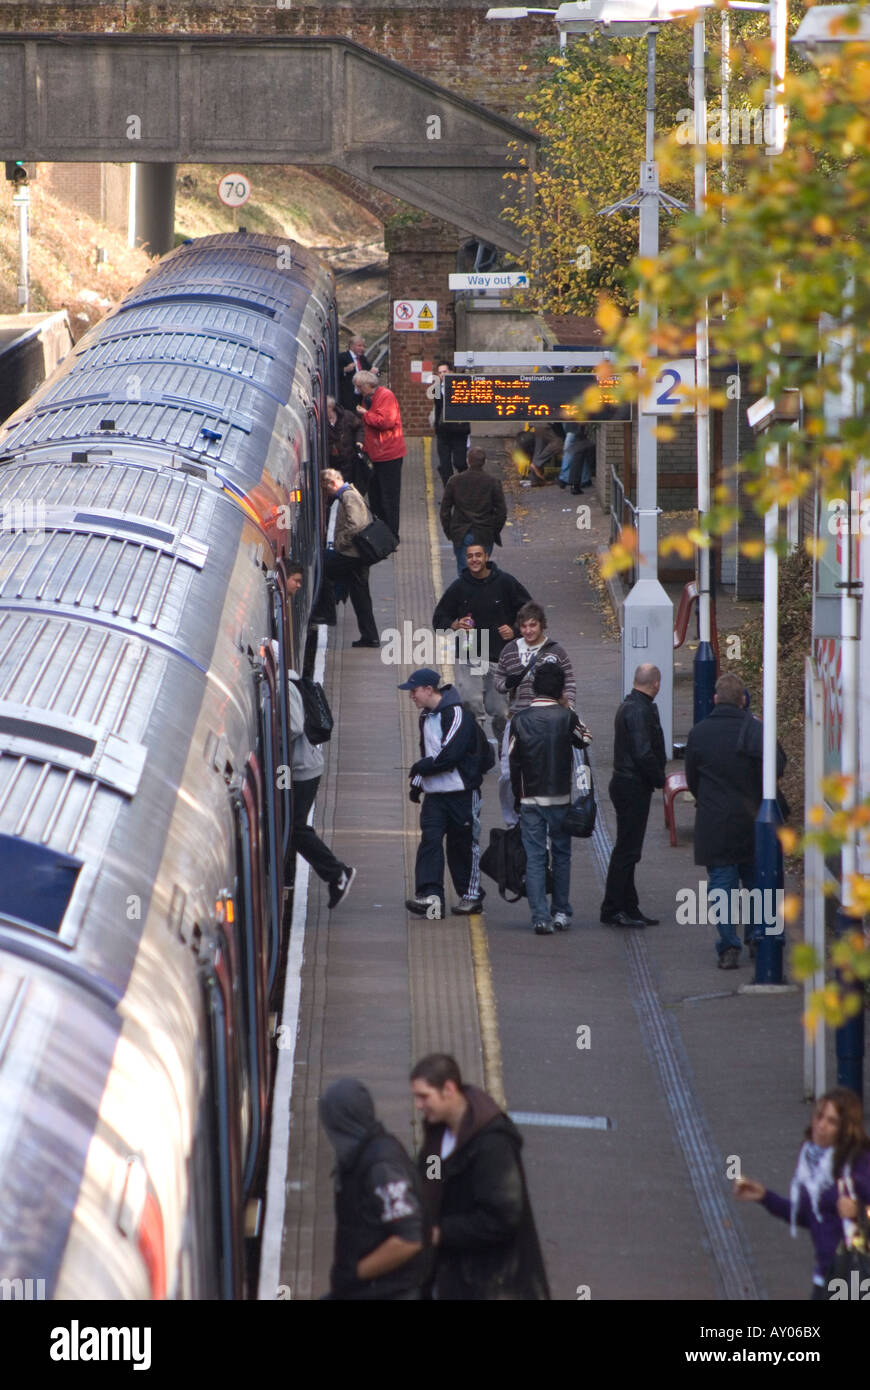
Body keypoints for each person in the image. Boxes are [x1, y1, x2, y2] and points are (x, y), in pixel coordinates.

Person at [410, 1053, 550, 1301]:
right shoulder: (438, 1135)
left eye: (424, 1096)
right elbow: (432, 1180)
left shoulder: (492, 1146)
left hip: (493, 1284)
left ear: (448, 1090)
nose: (418, 1105)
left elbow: (502, 1218)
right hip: (451, 1277)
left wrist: (441, 1233)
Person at [685, 671, 787, 970]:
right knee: (757, 882)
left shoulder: (699, 733)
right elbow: (778, 767)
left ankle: (728, 945)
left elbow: (693, 779)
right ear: (743, 700)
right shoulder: (756, 730)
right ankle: (758, 936)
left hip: (715, 823)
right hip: (754, 820)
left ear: (715, 699)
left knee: (722, 886)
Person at [734, 1087, 870, 1299]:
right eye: (819, 1116)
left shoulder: (858, 1163)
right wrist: (765, 1197)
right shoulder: (810, 1161)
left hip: (854, 1282)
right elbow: (808, 1216)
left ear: (845, 1129)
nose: (821, 1125)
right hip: (825, 1277)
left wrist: (858, 1211)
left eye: (831, 1122)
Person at [319, 1078, 429, 1300]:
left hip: (388, 1291)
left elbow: (409, 1238)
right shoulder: (363, 1157)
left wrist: (355, 1272)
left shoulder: (380, 1167)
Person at [510, 664, 591, 935]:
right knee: (562, 855)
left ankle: (540, 917)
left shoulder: (519, 720)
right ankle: (561, 912)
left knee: (534, 857)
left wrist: (516, 798)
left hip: (530, 798)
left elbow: (512, 761)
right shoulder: (565, 717)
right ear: (559, 690)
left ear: (533, 688)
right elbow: (585, 739)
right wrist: (567, 707)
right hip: (559, 797)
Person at [400, 668, 486, 919]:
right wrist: (418, 782)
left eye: (414, 691)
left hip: (462, 793)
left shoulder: (457, 714)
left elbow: (449, 755)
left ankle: (471, 896)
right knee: (430, 841)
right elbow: (429, 752)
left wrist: (419, 769)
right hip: (435, 795)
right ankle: (430, 896)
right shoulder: (425, 717)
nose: (411, 696)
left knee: (463, 845)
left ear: (429, 689)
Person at [432, 543, 530, 748]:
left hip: (499, 658)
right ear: (465, 559)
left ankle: (506, 754)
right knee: (470, 706)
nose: (474, 560)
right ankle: (475, 754)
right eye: (470, 556)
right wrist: (454, 624)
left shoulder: (505, 583)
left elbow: (530, 611)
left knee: (501, 711)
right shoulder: (459, 587)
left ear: (486, 556)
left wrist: (515, 630)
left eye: (478, 555)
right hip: (470, 656)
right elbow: (439, 619)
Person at [495, 601, 577, 827]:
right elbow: (499, 681)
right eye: (524, 626)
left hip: (548, 722)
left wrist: (567, 707)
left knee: (545, 774)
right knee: (507, 774)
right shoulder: (509, 650)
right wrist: (505, 684)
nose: (528, 631)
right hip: (516, 721)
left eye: (533, 625)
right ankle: (513, 821)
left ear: (542, 625)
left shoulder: (556, 652)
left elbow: (569, 681)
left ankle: (546, 820)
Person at [600, 663, 667, 929]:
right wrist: (659, 778)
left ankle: (627, 905)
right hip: (633, 785)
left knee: (627, 848)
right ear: (656, 684)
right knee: (627, 850)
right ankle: (614, 907)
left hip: (625, 782)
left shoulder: (631, 706)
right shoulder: (641, 710)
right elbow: (643, 753)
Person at [285, 662, 356, 909]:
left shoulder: (285, 686)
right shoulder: (287, 681)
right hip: (296, 767)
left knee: (294, 826)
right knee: (291, 823)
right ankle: (288, 873)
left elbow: (293, 726)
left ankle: (338, 872)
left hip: (301, 769)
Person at [320, 469, 380, 649]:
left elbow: (356, 525)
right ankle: (370, 637)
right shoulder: (349, 494)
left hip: (352, 554)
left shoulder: (348, 497)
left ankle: (327, 613)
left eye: (326, 489)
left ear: (332, 483)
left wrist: (340, 541)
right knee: (360, 596)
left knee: (323, 567)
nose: (327, 494)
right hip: (357, 555)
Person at [354, 370, 405, 542]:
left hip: (389, 455)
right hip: (375, 454)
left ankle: (392, 535)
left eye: (360, 387)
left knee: (389, 497)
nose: (358, 390)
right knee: (375, 496)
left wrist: (365, 414)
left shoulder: (386, 396)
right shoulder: (369, 398)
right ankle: (380, 532)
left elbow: (385, 422)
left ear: (368, 385)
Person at [440, 446, 507, 577]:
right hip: (484, 533)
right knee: (482, 572)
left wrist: (450, 532)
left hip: (461, 533)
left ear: (468, 461)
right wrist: (494, 530)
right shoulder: (493, 482)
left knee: (464, 573)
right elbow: (501, 511)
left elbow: (445, 510)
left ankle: (466, 597)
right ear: (485, 462)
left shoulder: (454, 481)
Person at [427, 360, 470, 487]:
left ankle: (464, 486)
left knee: (460, 463)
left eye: (444, 372)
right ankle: (449, 490)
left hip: (459, 431)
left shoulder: (460, 387)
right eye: (439, 373)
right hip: (443, 432)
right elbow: (438, 409)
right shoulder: (436, 389)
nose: (442, 375)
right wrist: (437, 426)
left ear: (451, 372)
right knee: (445, 465)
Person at [326, 393, 367, 494]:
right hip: (334, 465)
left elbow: (359, 427)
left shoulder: (347, 416)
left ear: (330, 407)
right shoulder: (322, 423)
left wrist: (359, 441)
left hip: (350, 462)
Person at [337, 336, 372, 412]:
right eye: (359, 346)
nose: (362, 348)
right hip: (347, 396)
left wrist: (374, 372)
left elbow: (370, 371)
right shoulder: (342, 357)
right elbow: (334, 374)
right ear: (351, 346)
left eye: (363, 346)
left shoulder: (363, 358)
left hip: (361, 396)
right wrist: (345, 370)